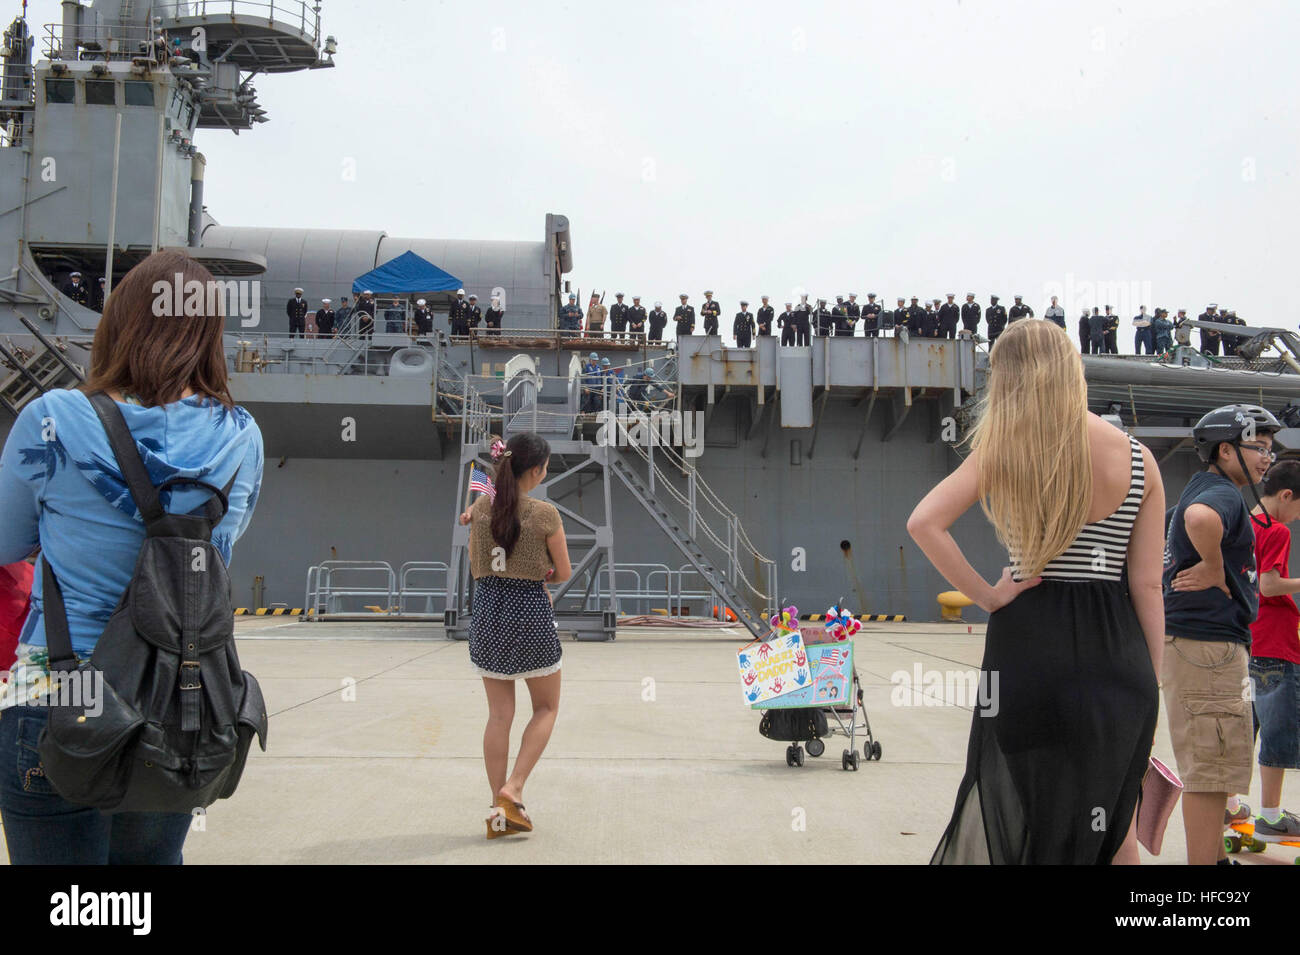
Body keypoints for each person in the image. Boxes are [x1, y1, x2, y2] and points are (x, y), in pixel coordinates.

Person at [0, 249, 264, 865]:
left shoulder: (52, 419)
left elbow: (6, 544)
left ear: (117, 321)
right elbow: (212, 550)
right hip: (173, 705)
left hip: (57, 693)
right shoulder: (242, 436)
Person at [909, 319, 1163, 864]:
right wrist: (1151, 680)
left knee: (1032, 814)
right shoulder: (1141, 460)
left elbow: (924, 523)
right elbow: (1146, 585)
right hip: (1117, 655)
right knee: (1113, 827)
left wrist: (988, 595)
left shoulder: (1008, 449)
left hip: (1030, 648)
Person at [1164, 404, 1281, 865]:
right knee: (1210, 774)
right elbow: (1197, 518)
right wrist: (1213, 567)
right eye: (1259, 448)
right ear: (1226, 449)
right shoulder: (1223, 494)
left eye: (1269, 450)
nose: (1266, 458)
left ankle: (1216, 861)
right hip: (1207, 648)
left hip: (1199, 646)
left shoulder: (1210, 486)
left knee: (1213, 767)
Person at [462, 433, 570, 839]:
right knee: (545, 708)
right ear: (537, 470)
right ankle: (515, 787)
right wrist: (540, 574)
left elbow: (477, 563)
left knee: (498, 716)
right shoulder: (545, 514)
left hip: (488, 612)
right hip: (529, 613)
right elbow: (563, 572)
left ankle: (499, 810)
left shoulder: (479, 508)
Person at [1246, 460, 1300, 845]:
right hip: (1276, 643)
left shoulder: (1241, 521)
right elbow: (1270, 586)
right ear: (1285, 496)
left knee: (1241, 730)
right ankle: (1270, 815)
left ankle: (1232, 804)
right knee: (1278, 733)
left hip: (1244, 640)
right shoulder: (1276, 530)